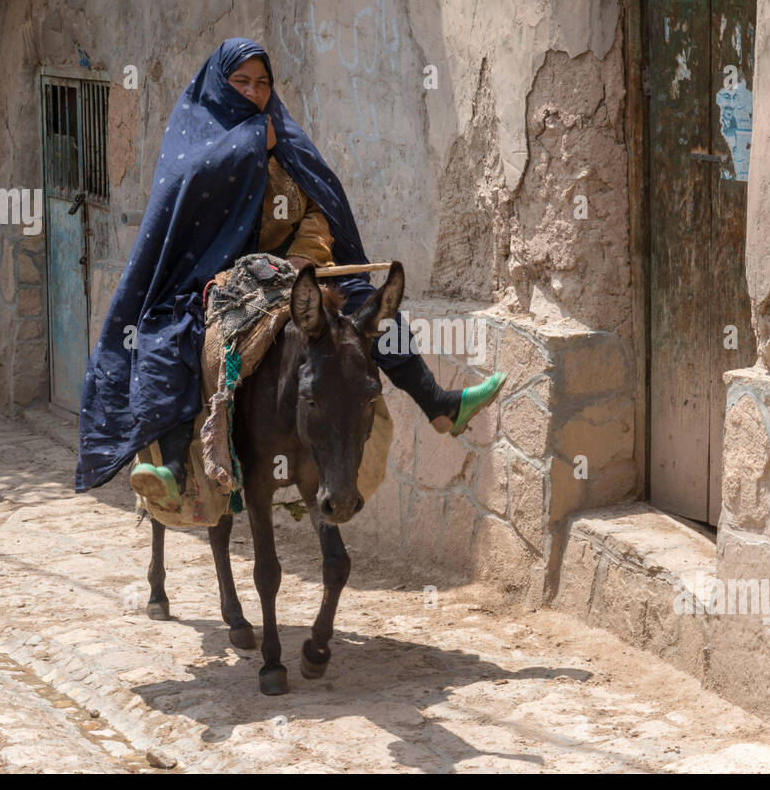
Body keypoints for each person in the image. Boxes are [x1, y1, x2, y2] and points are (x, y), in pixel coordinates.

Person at [75, 38, 506, 508]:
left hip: (298, 273)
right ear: (220, 85)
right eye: (241, 81)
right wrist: (250, 142)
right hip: (216, 278)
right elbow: (191, 201)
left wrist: (304, 256)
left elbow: (320, 209)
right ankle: (174, 467)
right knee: (169, 335)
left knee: (368, 304)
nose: (253, 91)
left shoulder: (284, 139)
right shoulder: (197, 142)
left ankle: (438, 404)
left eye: (263, 83)